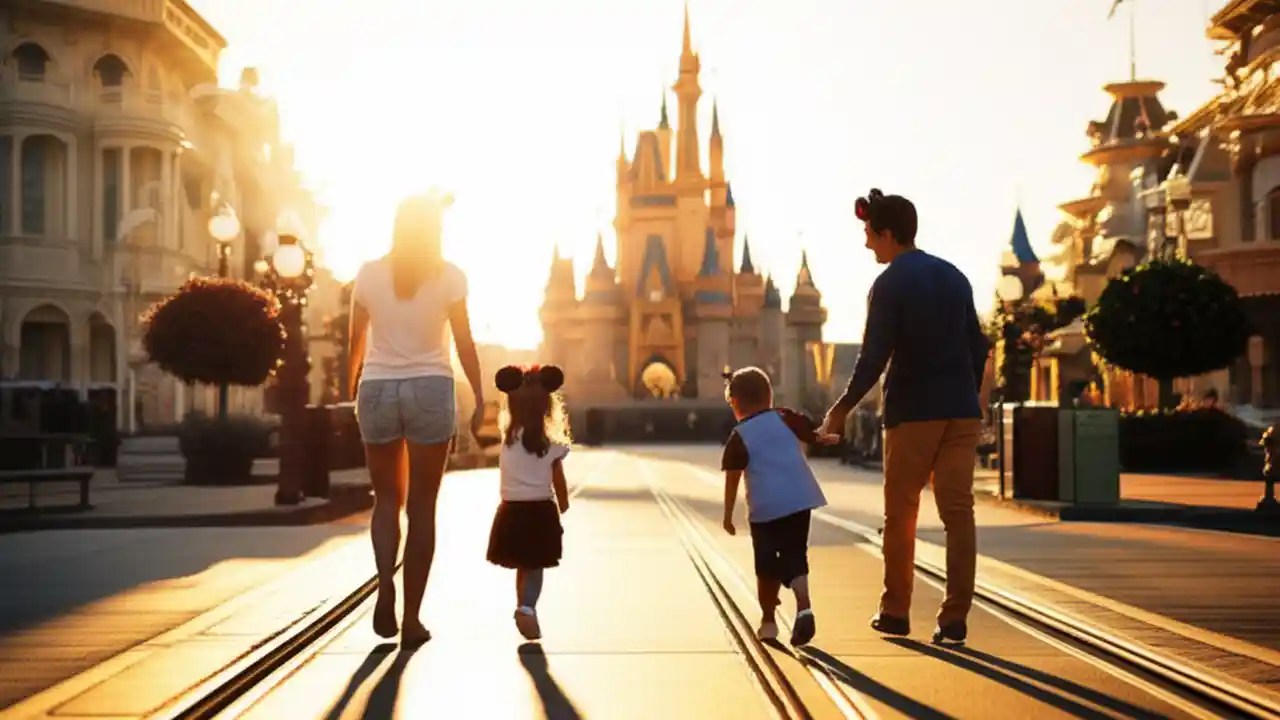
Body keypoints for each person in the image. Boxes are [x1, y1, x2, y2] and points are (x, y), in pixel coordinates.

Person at [821, 189, 989, 645]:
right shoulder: (955, 277)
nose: (867, 244)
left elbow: (873, 358)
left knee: (902, 514)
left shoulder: (890, 283)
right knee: (959, 514)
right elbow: (979, 346)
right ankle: (954, 618)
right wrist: (965, 395)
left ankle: (895, 611)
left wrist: (839, 411)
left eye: (869, 234)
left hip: (914, 413)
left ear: (887, 233)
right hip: (961, 413)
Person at [347, 192, 484, 644]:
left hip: (378, 388)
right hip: (430, 387)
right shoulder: (449, 278)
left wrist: (351, 389)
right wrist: (479, 396)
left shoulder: (368, 275)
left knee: (386, 500)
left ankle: (384, 583)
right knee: (422, 507)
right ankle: (411, 620)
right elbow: (464, 342)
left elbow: (356, 341)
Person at [721, 366, 839, 646]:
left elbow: (732, 478)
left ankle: (769, 622)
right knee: (795, 554)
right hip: (799, 498)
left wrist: (727, 515)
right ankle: (804, 607)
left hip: (765, 508)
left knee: (766, 565)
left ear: (735, 402)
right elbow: (809, 430)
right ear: (769, 396)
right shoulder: (785, 417)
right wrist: (823, 438)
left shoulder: (740, 435)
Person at [485, 364, 572, 641]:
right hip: (539, 512)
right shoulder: (550, 445)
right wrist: (564, 503)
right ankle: (527, 607)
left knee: (522, 565)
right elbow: (558, 479)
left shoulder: (507, 442)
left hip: (510, 510)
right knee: (534, 567)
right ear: (546, 408)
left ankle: (523, 605)